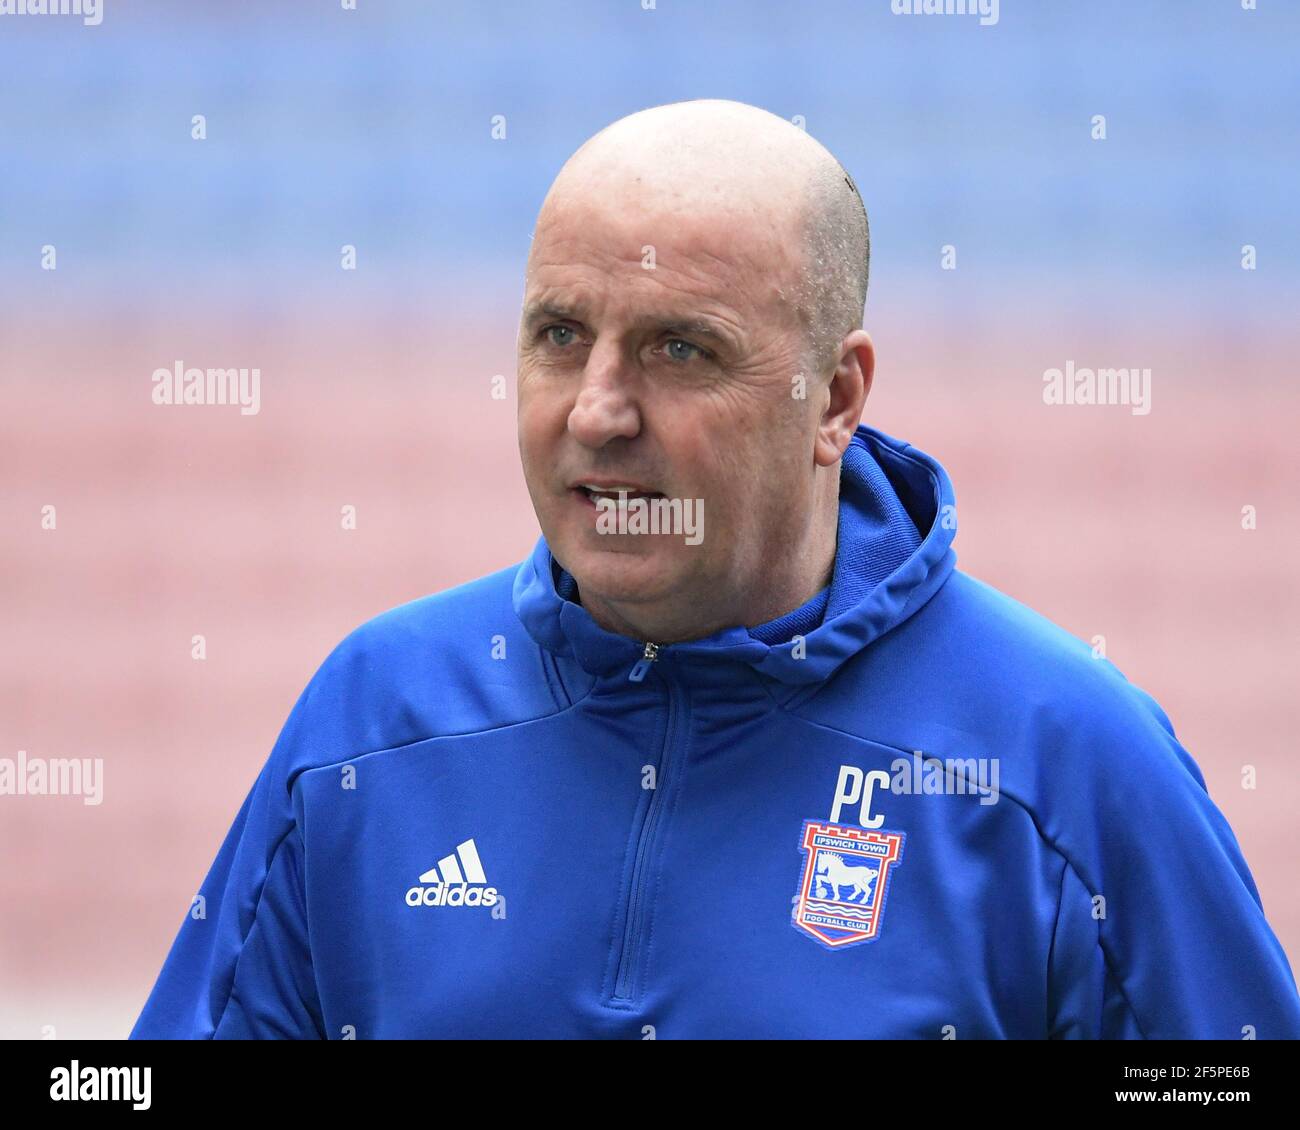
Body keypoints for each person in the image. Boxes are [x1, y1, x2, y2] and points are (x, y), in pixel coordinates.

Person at [130, 99, 1300, 1039]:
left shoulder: (1064, 760)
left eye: (678, 348)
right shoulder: (371, 721)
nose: (596, 410)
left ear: (832, 398)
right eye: (557, 336)